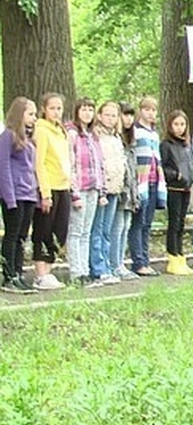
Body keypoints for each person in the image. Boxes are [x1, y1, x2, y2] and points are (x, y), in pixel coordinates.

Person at [65, 97, 108, 288]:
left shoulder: (92, 136)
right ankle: (76, 272)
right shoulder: (72, 134)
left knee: (86, 232)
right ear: (76, 111)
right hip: (79, 188)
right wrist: (74, 193)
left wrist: (102, 191)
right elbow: (70, 164)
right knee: (75, 230)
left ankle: (85, 270)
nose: (87, 113)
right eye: (84, 109)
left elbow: (99, 165)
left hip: (93, 188)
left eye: (91, 109)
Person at [0, 97, 39, 294]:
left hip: (28, 194)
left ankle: (19, 273)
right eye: (30, 114)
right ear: (19, 114)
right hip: (14, 194)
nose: (34, 118)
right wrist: (9, 197)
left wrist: (36, 193)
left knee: (22, 237)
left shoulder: (29, 139)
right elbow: (4, 167)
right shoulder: (7, 136)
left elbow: (31, 169)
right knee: (12, 235)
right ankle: (9, 276)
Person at [31, 93, 70, 290]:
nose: (56, 112)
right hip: (49, 186)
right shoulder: (41, 130)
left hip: (64, 186)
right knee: (43, 229)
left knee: (59, 230)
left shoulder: (60, 130)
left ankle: (49, 268)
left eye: (59, 108)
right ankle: (40, 272)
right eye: (52, 108)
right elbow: (40, 162)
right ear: (44, 109)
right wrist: (45, 192)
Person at [128, 97, 166, 277]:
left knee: (147, 224)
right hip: (140, 182)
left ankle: (145, 258)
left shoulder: (154, 133)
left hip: (153, 180)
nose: (150, 113)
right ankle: (138, 261)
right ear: (140, 110)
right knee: (138, 222)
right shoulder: (135, 131)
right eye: (147, 109)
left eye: (153, 110)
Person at [90, 102, 125, 284]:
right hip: (102, 188)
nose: (110, 119)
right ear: (100, 115)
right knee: (98, 228)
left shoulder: (116, 137)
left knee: (107, 229)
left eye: (114, 115)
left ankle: (107, 266)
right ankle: (98, 267)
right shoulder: (96, 136)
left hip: (115, 188)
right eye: (107, 115)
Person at [160, 110, 193, 275]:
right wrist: (177, 175)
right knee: (174, 223)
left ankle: (181, 256)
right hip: (174, 188)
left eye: (182, 124)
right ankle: (172, 257)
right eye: (176, 124)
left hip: (186, 187)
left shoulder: (186, 145)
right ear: (170, 125)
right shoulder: (166, 145)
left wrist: (190, 175)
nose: (179, 128)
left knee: (181, 223)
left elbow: (189, 163)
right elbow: (164, 167)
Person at [109, 103, 140, 281]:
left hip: (131, 189)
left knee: (125, 227)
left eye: (130, 115)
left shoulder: (131, 140)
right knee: (117, 227)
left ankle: (120, 262)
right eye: (124, 115)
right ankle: (114, 264)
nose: (127, 119)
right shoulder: (116, 138)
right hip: (119, 188)